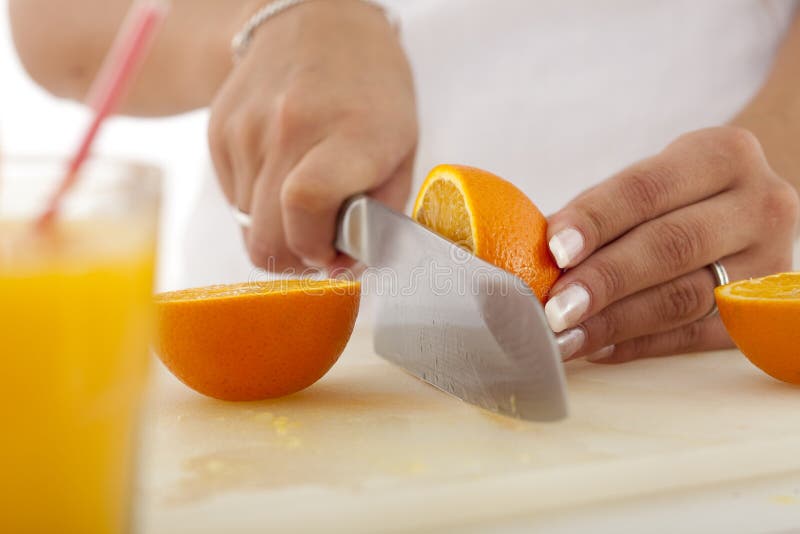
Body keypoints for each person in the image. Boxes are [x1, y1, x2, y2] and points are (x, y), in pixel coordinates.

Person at [9, 0, 800, 363]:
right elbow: (51, 21)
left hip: (699, 322)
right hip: (283, 364)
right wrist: (275, 14)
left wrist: (770, 156)